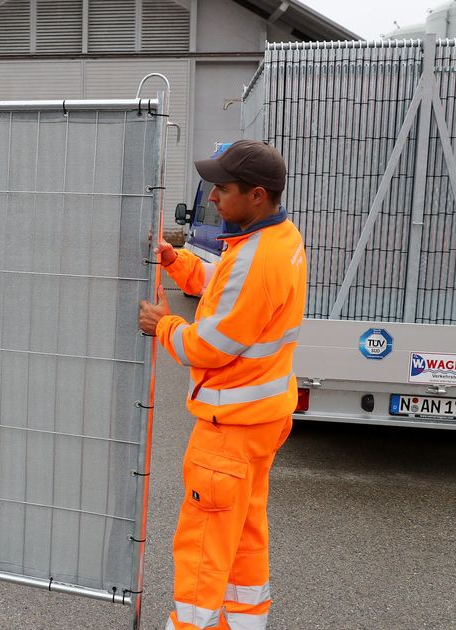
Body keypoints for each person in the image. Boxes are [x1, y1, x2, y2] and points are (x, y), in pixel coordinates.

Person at [138, 140, 306, 630]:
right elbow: (223, 284)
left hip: (228, 428)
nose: (211, 197)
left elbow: (207, 346)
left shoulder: (257, 260)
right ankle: (245, 620)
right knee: (244, 530)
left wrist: (163, 325)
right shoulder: (279, 238)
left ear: (256, 195)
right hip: (262, 419)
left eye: (222, 189)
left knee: (203, 544)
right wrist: (174, 261)